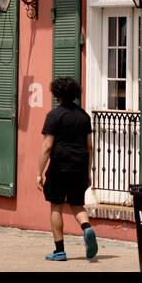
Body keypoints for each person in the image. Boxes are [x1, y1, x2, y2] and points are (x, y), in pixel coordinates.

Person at [36, 76, 97, 262]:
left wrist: (39, 172)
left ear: (57, 94)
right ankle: (87, 228)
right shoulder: (84, 116)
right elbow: (89, 147)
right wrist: (87, 171)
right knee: (77, 204)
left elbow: (47, 146)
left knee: (56, 205)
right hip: (79, 167)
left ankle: (59, 250)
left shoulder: (54, 116)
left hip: (59, 167)